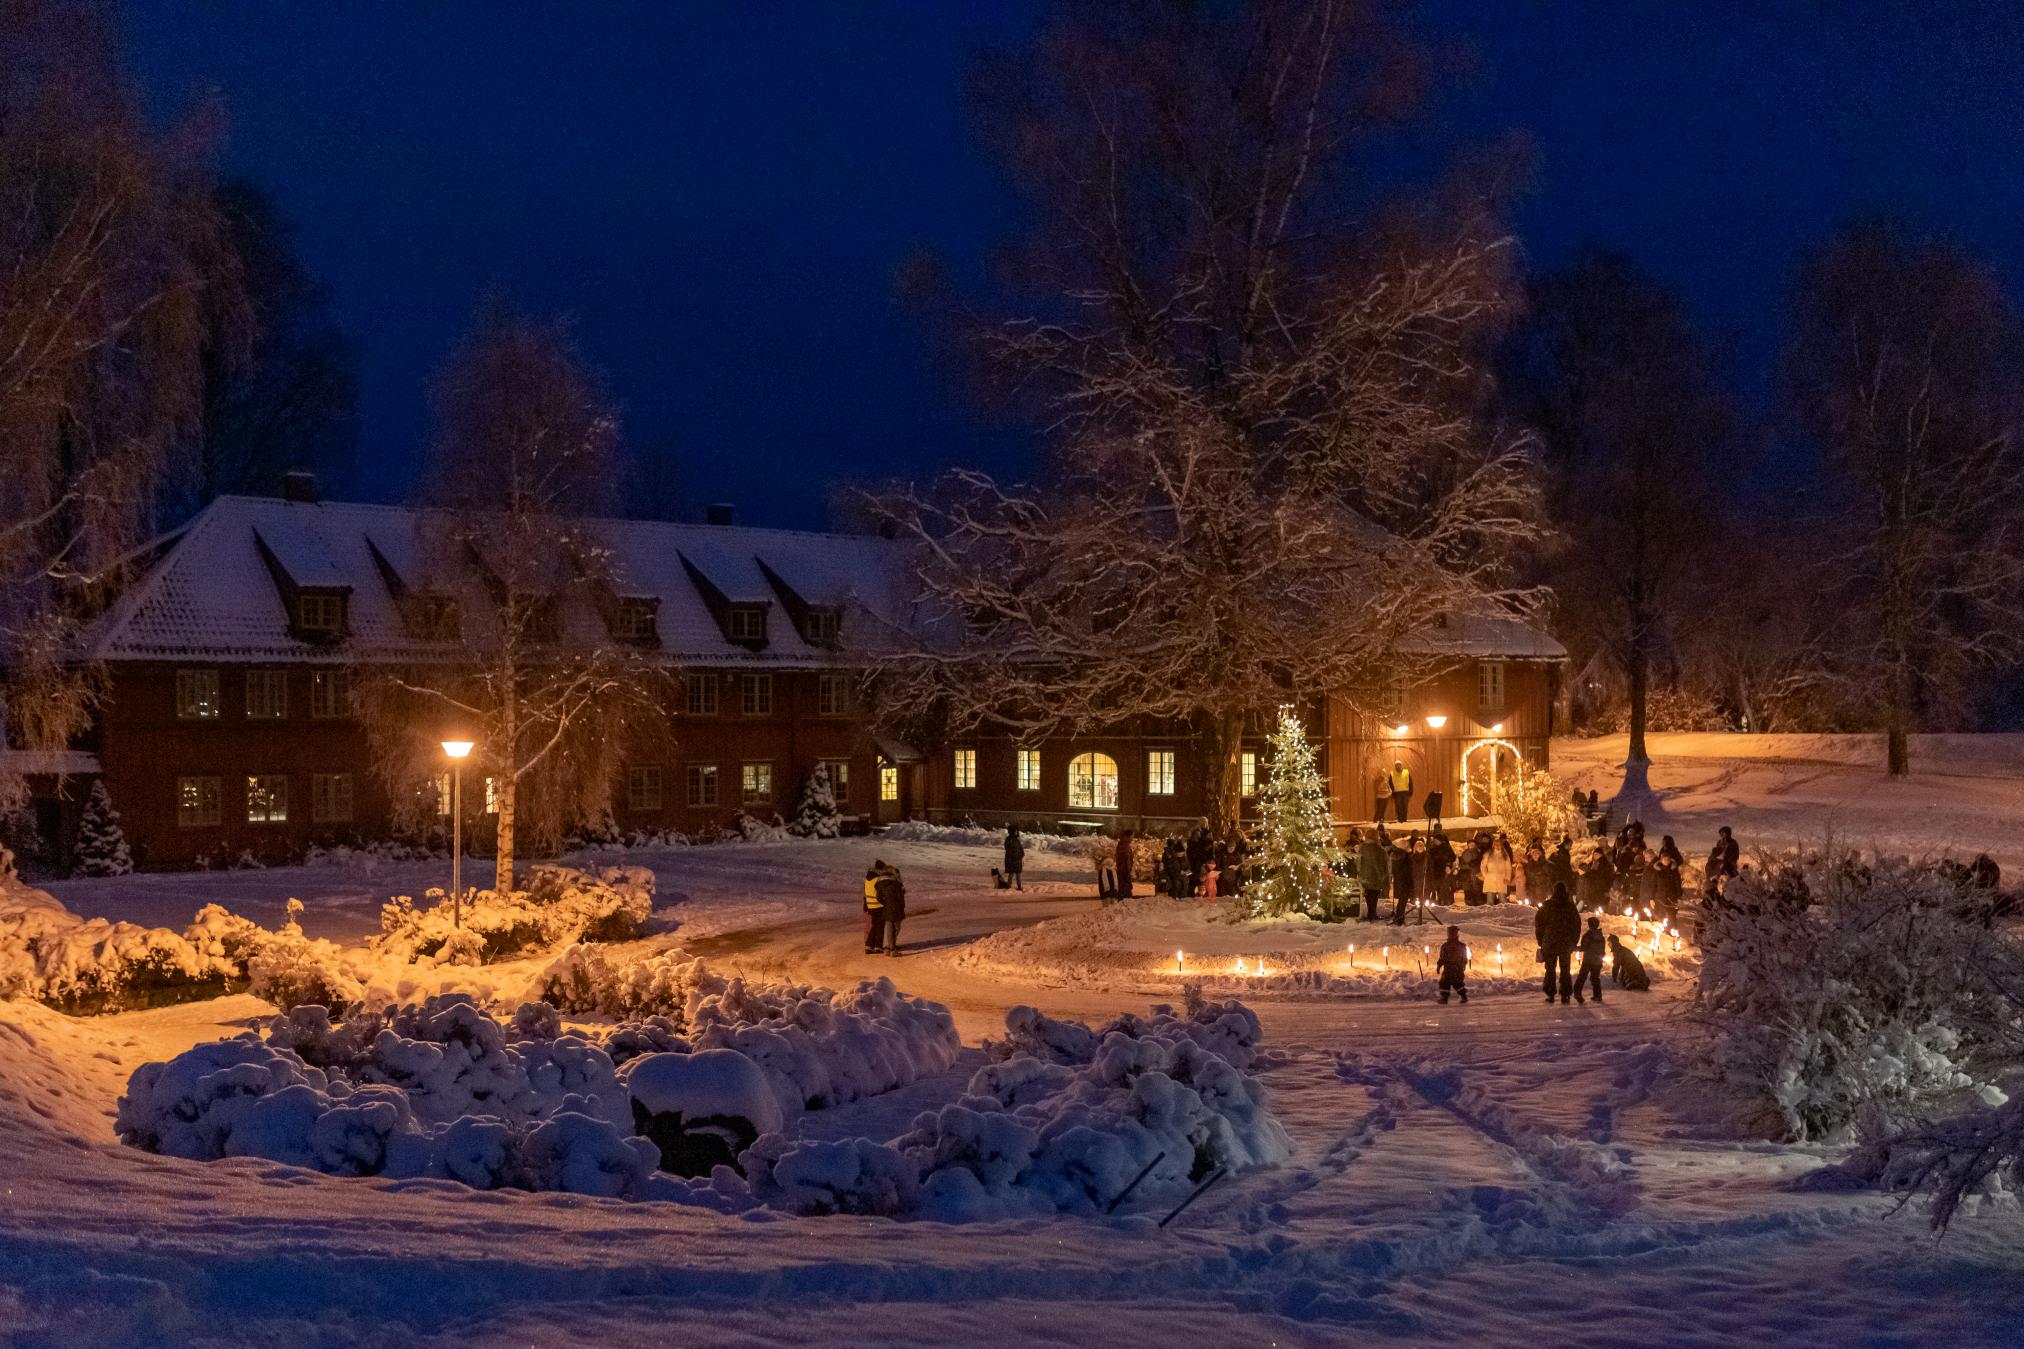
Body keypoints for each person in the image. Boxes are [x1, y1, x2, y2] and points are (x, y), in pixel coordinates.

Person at [1535, 881, 1581, 1004]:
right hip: (1565, 943)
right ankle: (1565, 994)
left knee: (1550, 969)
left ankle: (1550, 994)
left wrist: (1541, 941)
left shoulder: (1547, 906)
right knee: (1565, 969)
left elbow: (1539, 925)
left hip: (1550, 942)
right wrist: (1573, 941)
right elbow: (1576, 925)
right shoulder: (1570, 907)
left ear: (1553, 891)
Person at [1358, 825, 1390, 922]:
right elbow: (1381, 864)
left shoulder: (1362, 847)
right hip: (1375, 876)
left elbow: (1358, 861)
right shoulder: (1378, 849)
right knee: (1374, 895)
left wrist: (1360, 873)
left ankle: (1370, 913)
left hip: (1365, 875)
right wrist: (1383, 876)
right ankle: (1372, 914)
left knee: (1368, 895)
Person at [1573, 915, 1605, 1002]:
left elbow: (1583, 948)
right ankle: (1597, 995)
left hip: (1588, 960)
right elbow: (1602, 950)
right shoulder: (1601, 937)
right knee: (1595, 978)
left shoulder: (1587, 936)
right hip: (1597, 961)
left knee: (1582, 977)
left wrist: (1574, 948)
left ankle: (1577, 992)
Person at [1436, 925, 1469, 1005]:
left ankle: (1446, 998)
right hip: (1453, 968)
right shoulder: (1459, 946)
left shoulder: (1448, 946)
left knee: (1449, 983)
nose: (1451, 934)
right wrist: (1439, 966)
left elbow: (1464, 958)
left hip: (1453, 968)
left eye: (1452, 933)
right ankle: (1462, 997)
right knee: (1452, 983)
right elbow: (1442, 958)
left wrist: (1439, 966)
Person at [1425, 824, 1455, 908]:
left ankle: (1443, 903)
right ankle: (1437, 902)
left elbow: (1452, 857)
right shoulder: (1433, 847)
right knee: (1435, 887)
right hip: (1435, 871)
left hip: (1442, 871)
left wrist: (1448, 864)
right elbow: (1429, 855)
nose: (1434, 841)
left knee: (1442, 888)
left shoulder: (1446, 847)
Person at [862, 862, 889, 955]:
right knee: (880, 926)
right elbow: (882, 892)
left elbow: (865, 893)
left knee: (874, 925)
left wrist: (865, 905)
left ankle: (870, 946)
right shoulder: (878, 879)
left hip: (870, 905)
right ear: (880, 869)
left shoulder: (867, 879)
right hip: (879, 905)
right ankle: (877, 946)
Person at [1483, 832, 1514, 905]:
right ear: (1493, 845)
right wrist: (1486, 875)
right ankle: (1490, 912)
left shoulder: (1505, 855)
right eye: (1496, 844)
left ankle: (1504, 912)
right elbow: (1483, 866)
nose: (1497, 846)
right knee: (1490, 901)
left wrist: (1507, 878)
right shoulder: (1488, 854)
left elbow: (1508, 868)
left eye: (1499, 845)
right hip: (1490, 880)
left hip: (1502, 880)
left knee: (1503, 901)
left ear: (1501, 846)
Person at [1186, 819, 1213, 897]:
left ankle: (1204, 892)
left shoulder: (1208, 833)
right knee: (1193, 874)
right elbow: (1191, 846)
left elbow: (1210, 847)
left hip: (1204, 858)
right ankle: (1193, 892)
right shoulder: (1195, 832)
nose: (1204, 824)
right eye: (1202, 822)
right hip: (1195, 858)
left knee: (1204, 874)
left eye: (1205, 823)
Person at [1388, 759, 1413, 824]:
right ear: (1395, 766)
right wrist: (1392, 793)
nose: (1398, 766)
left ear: (1401, 765)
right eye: (1396, 765)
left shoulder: (1406, 772)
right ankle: (1400, 819)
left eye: (1399, 765)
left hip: (1405, 792)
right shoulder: (1392, 773)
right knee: (1399, 807)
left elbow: (1410, 782)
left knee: (1405, 807)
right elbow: (1390, 784)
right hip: (1397, 793)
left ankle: (1404, 819)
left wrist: (1410, 792)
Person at [1114, 830, 1136, 900]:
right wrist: (1127, 873)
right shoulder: (1125, 846)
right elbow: (1126, 861)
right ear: (1128, 836)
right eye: (1132, 836)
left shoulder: (1123, 844)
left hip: (1123, 872)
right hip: (1124, 873)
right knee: (1125, 895)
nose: (1132, 838)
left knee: (1123, 893)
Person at [1003, 826, 1025, 892]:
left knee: (1016, 873)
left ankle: (1017, 886)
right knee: (1012, 873)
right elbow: (1008, 848)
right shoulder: (1010, 840)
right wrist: (1019, 855)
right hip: (1013, 859)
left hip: (1016, 859)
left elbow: (1021, 849)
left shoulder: (1015, 840)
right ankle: (1011, 885)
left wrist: (1021, 855)